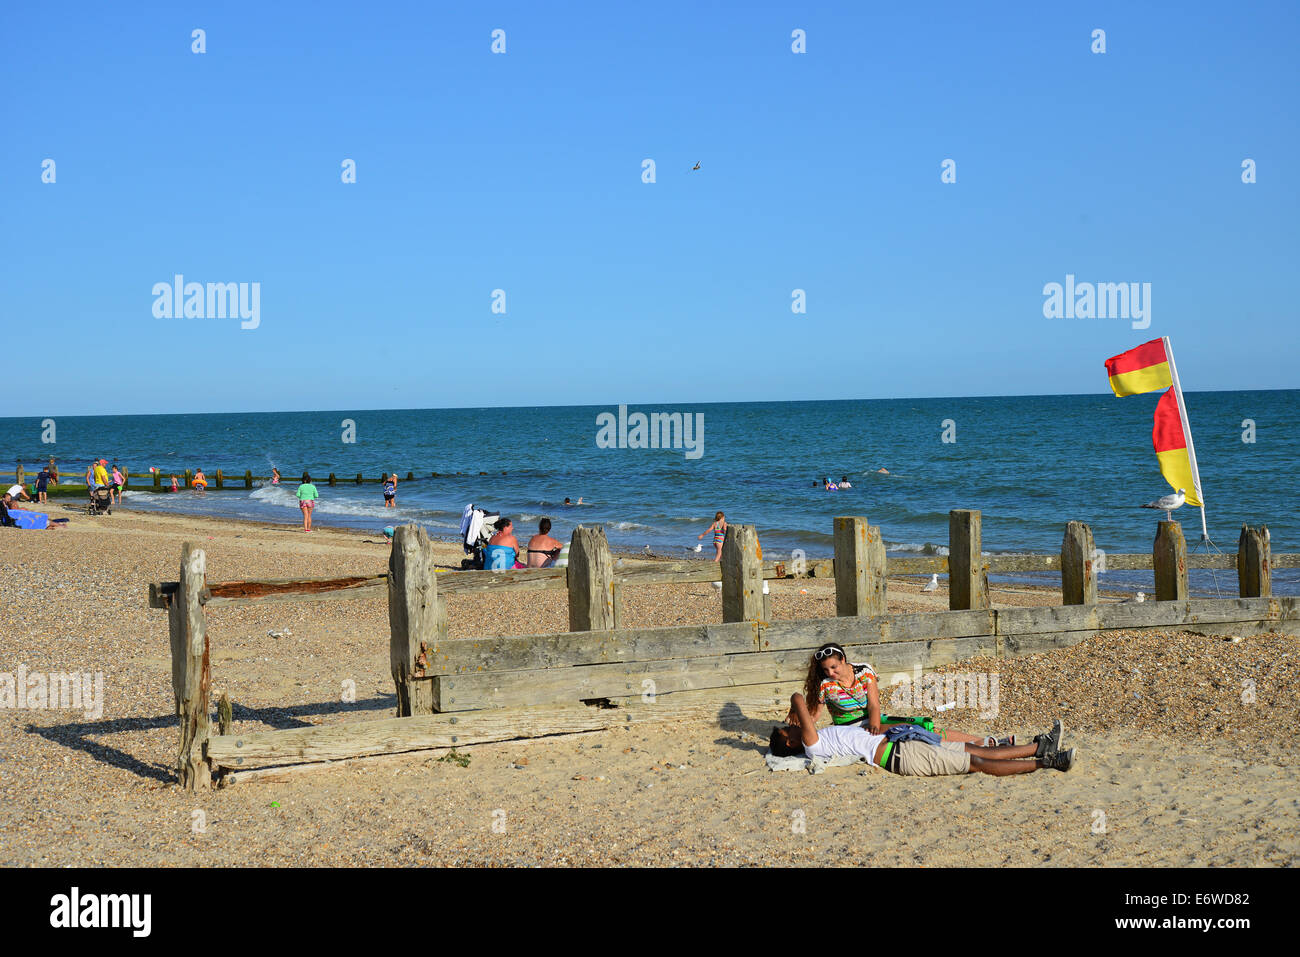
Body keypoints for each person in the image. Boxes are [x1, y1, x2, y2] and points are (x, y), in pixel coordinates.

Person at [771, 693, 1074, 777]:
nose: (794, 725)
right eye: (789, 729)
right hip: (902, 757)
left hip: (900, 742)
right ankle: (1047, 762)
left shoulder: (817, 738)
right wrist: (794, 710)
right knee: (977, 761)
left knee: (971, 749)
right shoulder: (812, 746)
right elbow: (799, 697)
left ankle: (1038, 746)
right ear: (790, 741)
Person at [789, 644, 1011, 747]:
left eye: (834, 667)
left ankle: (983, 741)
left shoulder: (864, 671)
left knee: (924, 727)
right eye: (826, 669)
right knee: (915, 738)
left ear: (844, 660)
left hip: (873, 720)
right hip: (850, 729)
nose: (831, 673)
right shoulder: (826, 685)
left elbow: (874, 704)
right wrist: (799, 720)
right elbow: (816, 714)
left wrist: (874, 725)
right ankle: (978, 747)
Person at [1, 490, 67, 529]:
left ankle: (49, 526)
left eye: (9, 498)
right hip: (27, 521)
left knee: (45, 521)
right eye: (7, 498)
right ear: (3, 498)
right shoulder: (10, 508)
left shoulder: (6, 506)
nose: (8, 500)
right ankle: (61, 526)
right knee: (46, 521)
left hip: (25, 521)